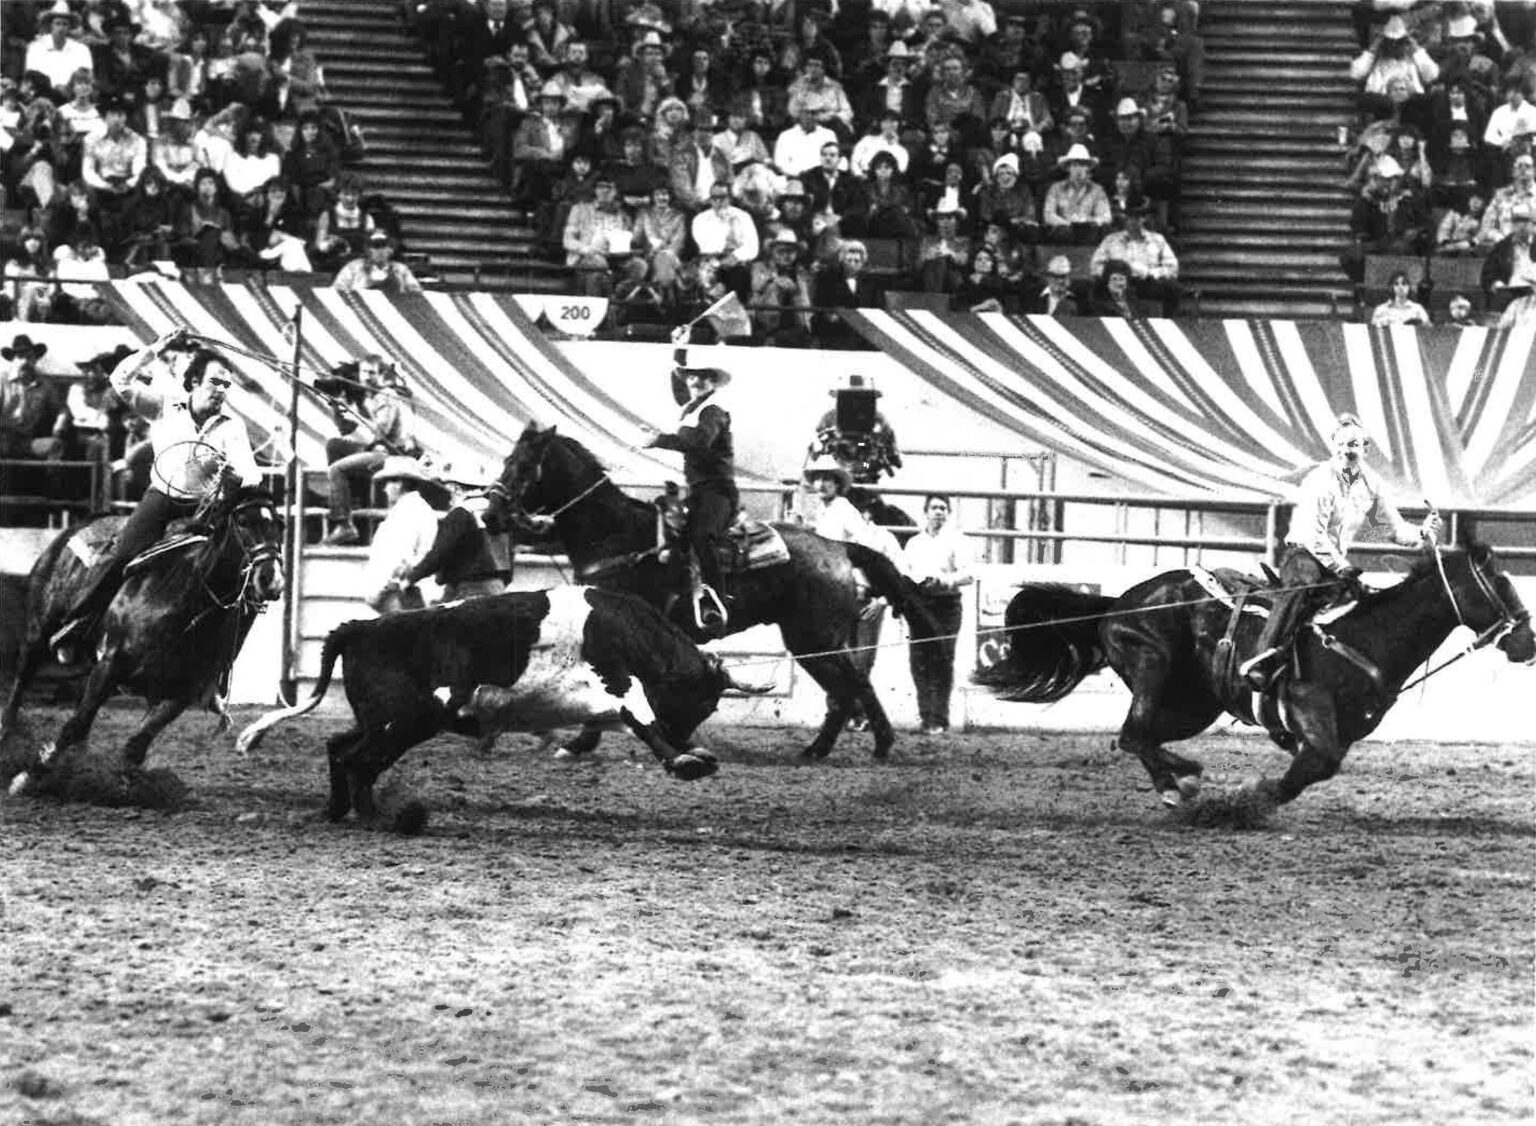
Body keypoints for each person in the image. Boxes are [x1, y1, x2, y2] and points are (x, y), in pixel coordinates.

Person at [51, 331, 263, 659]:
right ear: (193, 382)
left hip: (204, 509)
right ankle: (79, 623)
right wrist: (156, 349)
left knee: (237, 569)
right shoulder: (163, 406)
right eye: (214, 383)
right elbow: (120, 380)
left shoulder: (232, 427)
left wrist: (232, 479)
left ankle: (218, 661)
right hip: (161, 501)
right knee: (122, 556)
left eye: (226, 386)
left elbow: (252, 474)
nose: (220, 392)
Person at [1239, 413, 1442, 691]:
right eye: (1343, 444)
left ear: (1365, 449)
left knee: (1366, 604)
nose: (1348, 450)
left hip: (1336, 565)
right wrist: (1341, 567)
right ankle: (1262, 660)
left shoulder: (1372, 485)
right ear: (1333, 445)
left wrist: (1422, 532)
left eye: (1355, 445)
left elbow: (1392, 529)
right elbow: (1314, 537)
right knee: (1303, 586)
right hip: (1303, 556)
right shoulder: (1320, 481)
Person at [641, 324, 737, 635]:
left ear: (712, 382)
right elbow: (677, 386)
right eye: (691, 375)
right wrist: (678, 348)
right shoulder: (692, 406)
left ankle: (717, 601)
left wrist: (660, 440)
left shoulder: (713, 412)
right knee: (672, 539)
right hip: (699, 490)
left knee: (700, 536)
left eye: (700, 376)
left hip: (718, 491)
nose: (693, 380)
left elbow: (699, 443)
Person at [802, 458, 907, 729]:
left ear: (837, 484)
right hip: (832, 595)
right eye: (818, 478)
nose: (822, 484)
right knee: (835, 655)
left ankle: (857, 714)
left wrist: (865, 586)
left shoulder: (844, 510)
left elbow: (865, 548)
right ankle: (842, 713)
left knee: (859, 657)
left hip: (857, 593)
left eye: (828, 479)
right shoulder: (821, 514)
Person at [321, 356, 420, 545]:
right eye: (364, 372)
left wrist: (360, 418)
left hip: (391, 454)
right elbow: (348, 430)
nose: (367, 377)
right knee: (335, 445)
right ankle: (349, 501)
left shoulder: (385, 394)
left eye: (372, 373)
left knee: (336, 469)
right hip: (386, 450)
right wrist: (337, 407)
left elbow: (382, 431)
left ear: (380, 374)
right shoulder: (375, 395)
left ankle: (344, 523)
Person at [903, 493, 973, 735]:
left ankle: (939, 719)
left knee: (942, 660)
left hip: (947, 604)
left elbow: (969, 573)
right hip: (920, 604)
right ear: (926, 512)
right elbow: (905, 572)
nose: (939, 512)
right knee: (918, 661)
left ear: (948, 513)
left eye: (943, 508)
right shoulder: (913, 543)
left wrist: (943, 581)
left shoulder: (957, 540)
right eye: (934, 507)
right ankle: (926, 716)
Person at [395, 463, 510, 603]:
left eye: (449, 489)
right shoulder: (496, 512)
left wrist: (411, 578)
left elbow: (439, 553)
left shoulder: (460, 514)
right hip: (498, 587)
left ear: (457, 489)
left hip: (467, 589)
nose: (448, 496)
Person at [363, 456, 447, 614]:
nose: (385, 489)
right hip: (408, 589)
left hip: (399, 594)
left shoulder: (406, 512)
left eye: (388, 483)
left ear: (399, 484)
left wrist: (382, 590)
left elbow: (399, 557)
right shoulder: (418, 508)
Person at [809, 372, 901, 483]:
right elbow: (818, 448)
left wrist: (885, 454)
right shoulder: (829, 419)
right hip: (837, 473)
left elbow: (889, 451)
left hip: (868, 468)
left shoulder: (878, 419)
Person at [0, 333, 66, 462]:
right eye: (20, 357)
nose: (25, 362)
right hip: (3, 438)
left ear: (35, 359)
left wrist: (59, 425)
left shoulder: (45, 385)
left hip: (27, 441)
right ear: (12, 360)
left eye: (29, 357)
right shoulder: (2, 381)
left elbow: (61, 410)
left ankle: (49, 482)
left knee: (55, 445)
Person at [333, 229, 423, 293]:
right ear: (368, 250)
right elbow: (336, 292)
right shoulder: (352, 268)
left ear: (391, 250)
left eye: (383, 247)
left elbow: (417, 295)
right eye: (376, 247)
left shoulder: (401, 270)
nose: (380, 251)